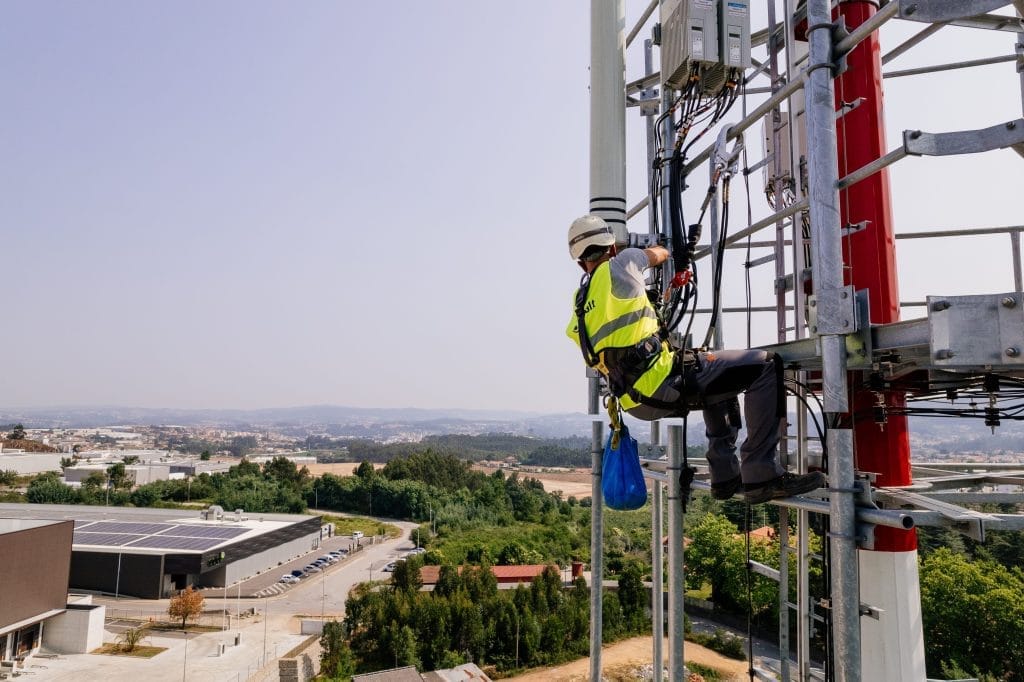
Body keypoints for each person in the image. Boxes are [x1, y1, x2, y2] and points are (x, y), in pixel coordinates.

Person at [565, 214, 825, 504]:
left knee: (715, 378)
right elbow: (660, 254)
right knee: (765, 364)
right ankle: (761, 474)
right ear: (612, 247)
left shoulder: (579, 307)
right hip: (663, 381)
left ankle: (725, 479)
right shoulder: (623, 263)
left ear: (578, 262)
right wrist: (660, 247)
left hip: (635, 401)